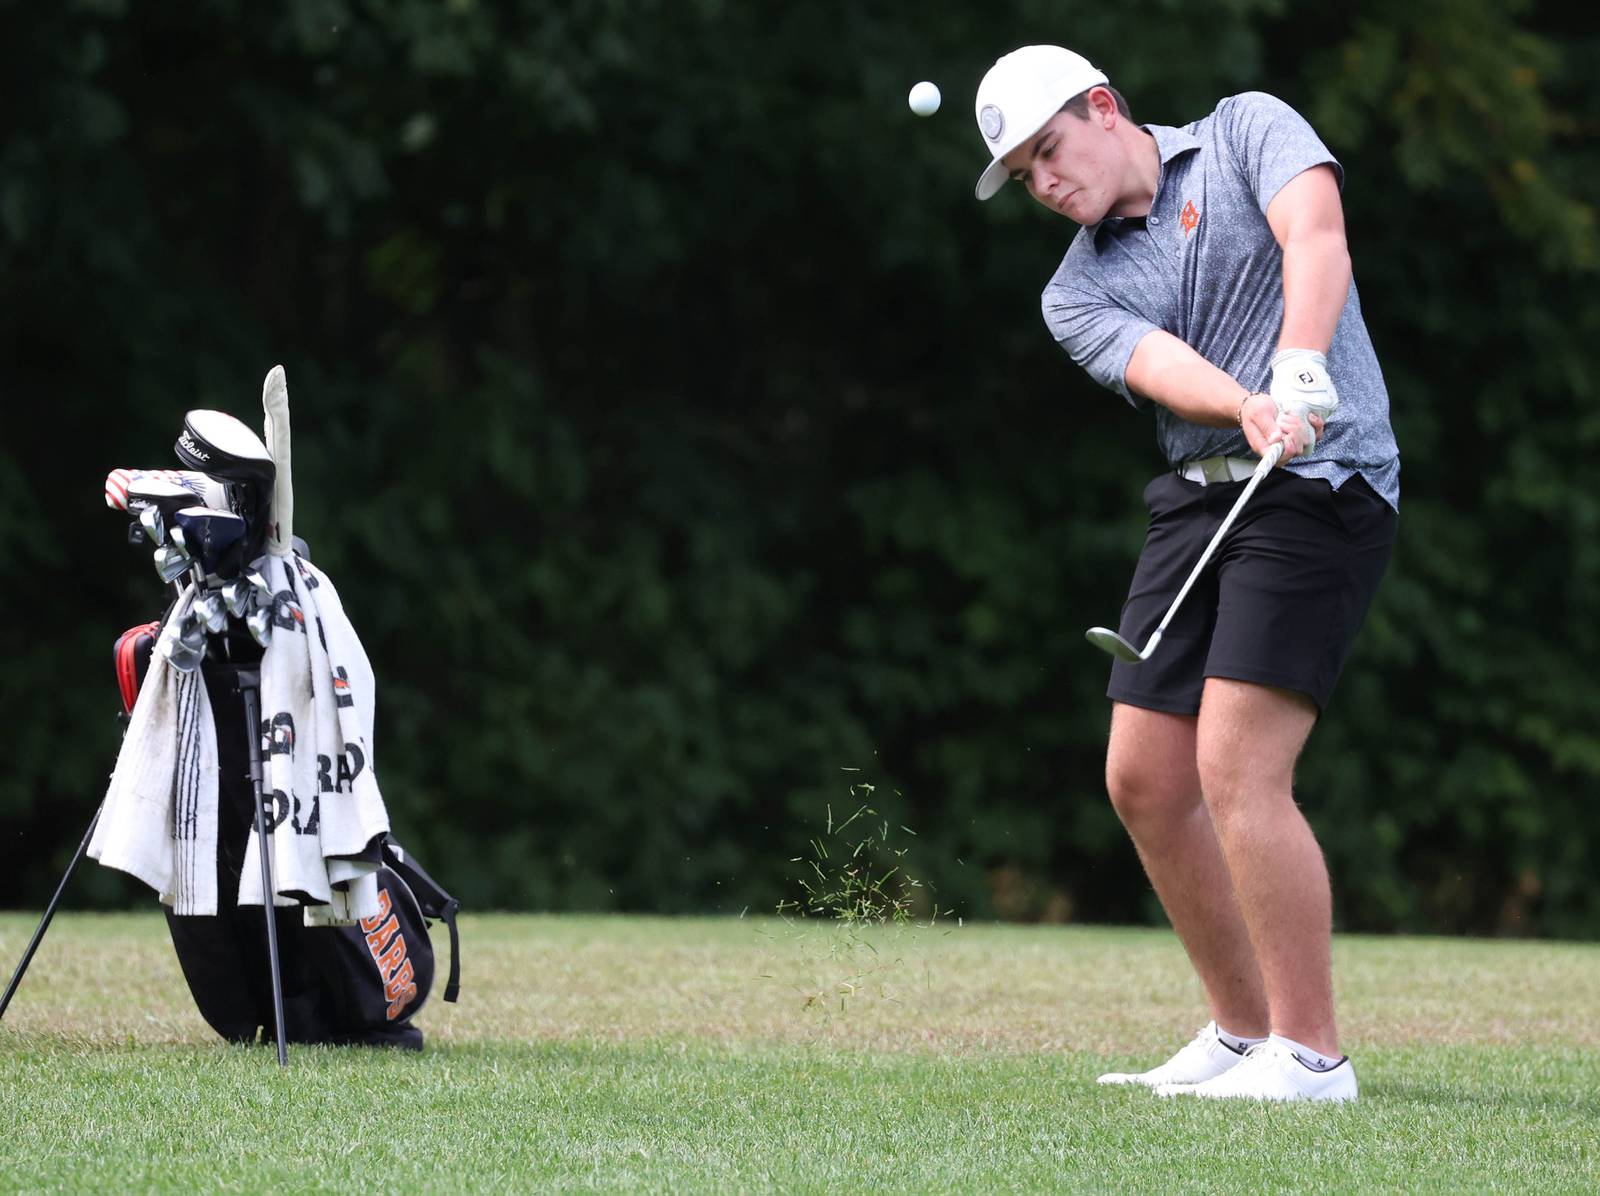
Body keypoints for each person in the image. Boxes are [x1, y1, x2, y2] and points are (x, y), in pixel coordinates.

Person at [972, 45, 1399, 1102]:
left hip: (1323, 486)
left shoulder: (1246, 128)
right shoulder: (1074, 288)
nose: (1045, 185)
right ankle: (1239, 1026)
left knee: (1236, 764)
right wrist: (1248, 402)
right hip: (1201, 491)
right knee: (1143, 778)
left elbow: (1316, 233)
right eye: (1025, 176)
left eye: (1048, 152)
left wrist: (1299, 365)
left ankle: (1309, 1056)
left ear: (1105, 108)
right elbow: (1157, 364)